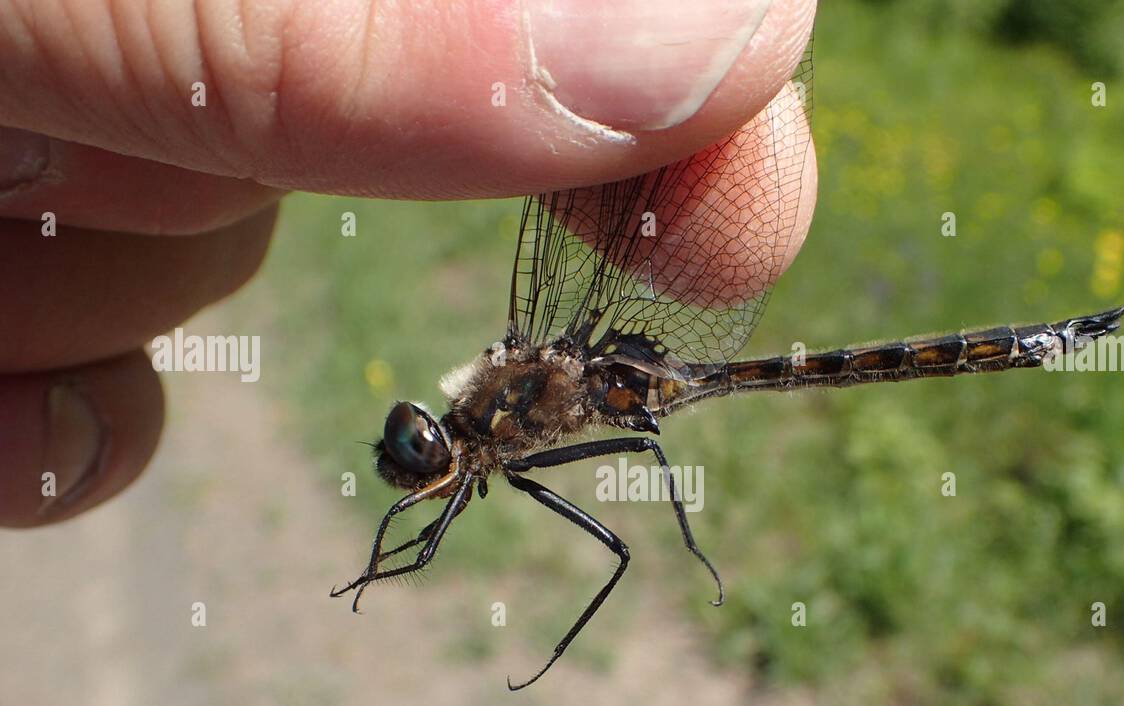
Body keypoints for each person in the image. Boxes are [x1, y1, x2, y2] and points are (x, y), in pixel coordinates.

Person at [0, 0, 816, 527]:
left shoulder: (497, 422)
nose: (413, 461)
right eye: (415, 451)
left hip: (613, 370)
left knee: (645, 472)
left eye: (412, 454)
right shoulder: (488, 435)